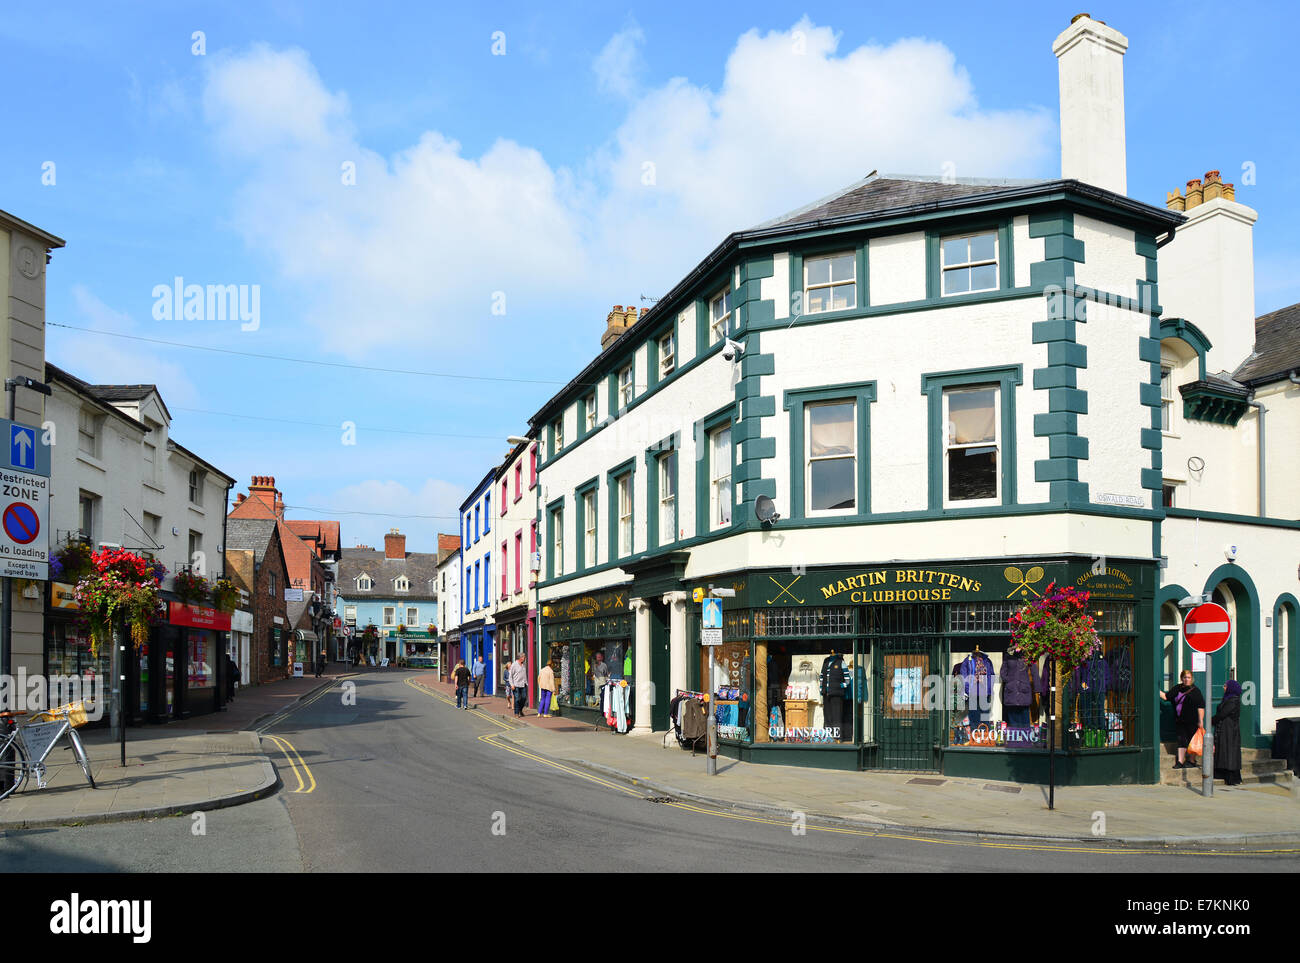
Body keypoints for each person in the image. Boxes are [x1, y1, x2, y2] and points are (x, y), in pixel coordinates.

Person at [1159, 669, 1205, 768]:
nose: (1186, 679)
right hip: (1180, 720)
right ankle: (1180, 761)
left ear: (1192, 679)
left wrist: (1201, 720)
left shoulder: (1196, 691)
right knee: (1181, 740)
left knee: (1193, 740)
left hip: (1192, 720)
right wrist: (1155, 689)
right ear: (1181, 678)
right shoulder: (1177, 688)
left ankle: (1192, 760)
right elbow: (1166, 697)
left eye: (1188, 678)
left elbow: (1201, 706)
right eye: (1184, 677)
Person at [1213, 679, 1243, 786]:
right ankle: (1221, 772)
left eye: (1225, 686)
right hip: (1225, 729)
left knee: (1229, 752)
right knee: (1223, 751)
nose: (1223, 688)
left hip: (1229, 731)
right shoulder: (1228, 699)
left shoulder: (1233, 700)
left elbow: (1223, 713)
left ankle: (1231, 777)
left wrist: (1212, 720)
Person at [508, 653, 528, 717]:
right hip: (516, 685)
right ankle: (516, 713)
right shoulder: (514, 665)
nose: (525, 658)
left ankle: (520, 710)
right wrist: (512, 685)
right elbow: (510, 676)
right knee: (516, 699)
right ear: (520, 658)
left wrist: (526, 683)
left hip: (523, 684)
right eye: (524, 657)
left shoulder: (524, 664)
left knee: (524, 698)